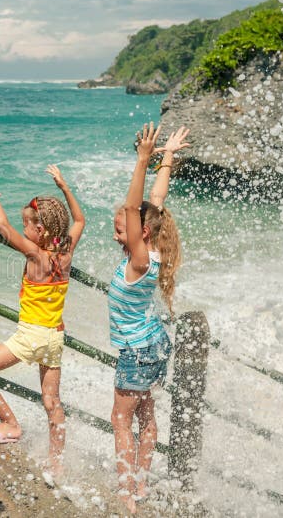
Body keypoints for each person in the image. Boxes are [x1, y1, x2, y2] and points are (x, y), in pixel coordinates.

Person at [0, 164, 85, 476]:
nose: (24, 230)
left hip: (29, 337)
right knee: (51, 402)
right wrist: (64, 187)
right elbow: (80, 219)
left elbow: (2, 227)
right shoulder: (65, 252)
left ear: (40, 231)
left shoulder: (37, 256)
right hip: (54, 338)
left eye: (28, 226)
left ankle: (9, 423)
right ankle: (56, 462)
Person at [109, 124, 188, 513]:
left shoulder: (139, 260)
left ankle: (128, 494)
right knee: (146, 415)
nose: (114, 233)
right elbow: (153, 203)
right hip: (155, 344)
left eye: (119, 229)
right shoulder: (151, 247)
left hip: (137, 350)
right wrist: (167, 158)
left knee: (121, 419)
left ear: (141, 233)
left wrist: (144, 158)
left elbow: (134, 205)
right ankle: (139, 486)